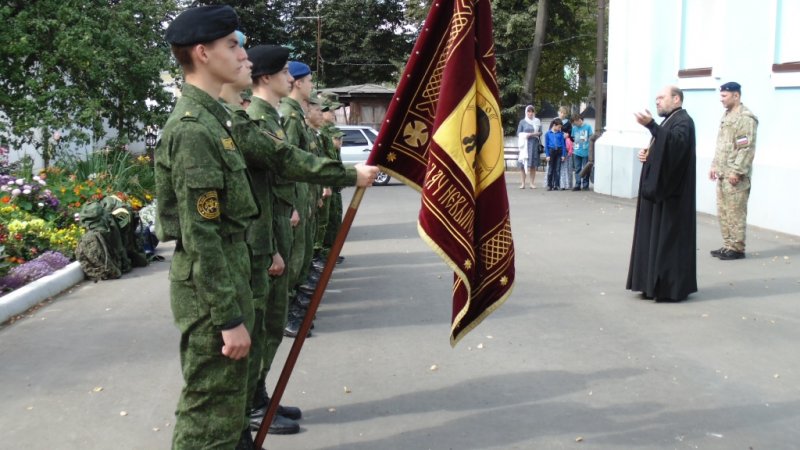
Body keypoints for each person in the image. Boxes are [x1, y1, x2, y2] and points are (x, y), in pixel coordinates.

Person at [156, 6, 258, 449]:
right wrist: (228, 318)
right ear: (202, 53)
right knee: (208, 419)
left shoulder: (215, 119)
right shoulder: (194, 129)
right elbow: (201, 236)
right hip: (211, 294)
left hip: (230, 276)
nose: (241, 55)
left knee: (230, 409)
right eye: (232, 45)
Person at [626, 85, 697, 302]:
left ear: (676, 99)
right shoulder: (670, 120)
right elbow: (663, 147)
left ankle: (667, 286)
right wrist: (648, 153)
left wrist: (652, 126)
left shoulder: (684, 121)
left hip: (672, 195)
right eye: (656, 98)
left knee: (668, 239)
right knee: (653, 237)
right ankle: (650, 284)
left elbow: (675, 147)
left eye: (662, 97)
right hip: (660, 193)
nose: (657, 101)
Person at [709, 82, 759, 260]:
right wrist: (714, 165)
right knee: (724, 211)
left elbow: (746, 148)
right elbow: (722, 144)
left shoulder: (745, 118)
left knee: (735, 211)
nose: (721, 99)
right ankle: (728, 244)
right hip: (723, 172)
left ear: (736, 96)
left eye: (724, 96)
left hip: (735, 175)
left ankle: (737, 248)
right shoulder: (728, 115)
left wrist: (737, 171)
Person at [516, 105, 541, 189]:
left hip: (534, 144)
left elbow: (540, 132)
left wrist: (532, 134)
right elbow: (518, 133)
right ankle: (523, 183)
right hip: (525, 145)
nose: (530, 113)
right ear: (526, 112)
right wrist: (526, 135)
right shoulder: (522, 122)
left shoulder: (537, 121)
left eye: (532, 111)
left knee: (533, 165)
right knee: (523, 164)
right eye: (529, 111)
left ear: (534, 112)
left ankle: (532, 183)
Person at [571, 113, 593, 190]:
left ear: (579, 120)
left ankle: (585, 185)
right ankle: (577, 184)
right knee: (577, 169)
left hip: (585, 151)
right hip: (576, 151)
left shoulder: (588, 127)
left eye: (575, 122)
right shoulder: (574, 128)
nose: (575, 124)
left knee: (586, 168)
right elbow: (573, 138)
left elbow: (591, 138)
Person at [543, 119, 565, 191]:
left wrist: (563, 155)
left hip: (559, 151)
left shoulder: (560, 134)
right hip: (551, 151)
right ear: (554, 125)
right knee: (550, 169)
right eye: (559, 127)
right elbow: (546, 145)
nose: (559, 129)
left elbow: (563, 145)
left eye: (560, 127)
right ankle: (549, 185)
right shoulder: (547, 134)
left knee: (557, 169)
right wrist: (547, 155)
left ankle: (557, 185)